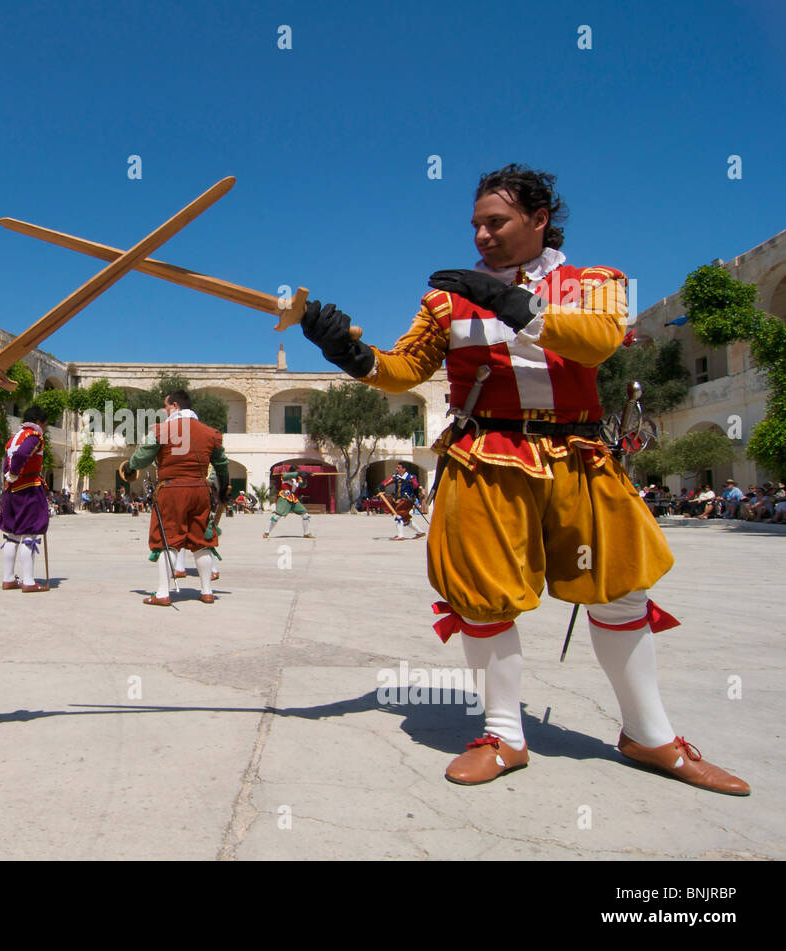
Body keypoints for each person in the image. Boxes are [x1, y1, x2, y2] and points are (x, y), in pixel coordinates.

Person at [300, 163, 748, 795]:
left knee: (618, 590)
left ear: (539, 220)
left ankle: (650, 737)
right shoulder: (446, 300)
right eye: (476, 224)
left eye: (497, 222)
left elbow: (597, 342)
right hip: (485, 453)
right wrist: (350, 353)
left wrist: (510, 302)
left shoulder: (594, 281)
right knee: (482, 596)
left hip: (579, 454)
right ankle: (504, 735)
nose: (482, 235)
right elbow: (404, 370)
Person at [121, 390, 230, 605]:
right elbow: (222, 464)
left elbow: (143, 457)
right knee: (202, 541)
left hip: (172, 491)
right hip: (201, 491)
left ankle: (163, 593)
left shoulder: (163, 430)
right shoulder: (211, 433)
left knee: (167, 540)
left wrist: (130, 466)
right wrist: (225, 488)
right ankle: (207, 591)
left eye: (167, 406)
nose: (164, 410)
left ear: (176, 406)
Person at [0, 405, 51, 592]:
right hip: (29, 488)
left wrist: (10, 477)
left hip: (12, 490)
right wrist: (14, 473)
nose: (44, 428)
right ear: (38, 422)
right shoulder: (34, 437)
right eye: (44, 424)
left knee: (11, 535)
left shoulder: (13, 438)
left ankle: (8, 578)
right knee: (29, 534)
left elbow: (8, 460)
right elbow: (22, 455)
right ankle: (29, 581)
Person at [380, 462, 424, 540]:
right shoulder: (396, 476)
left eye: (399, 468)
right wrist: (381, 486)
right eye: (397, 467)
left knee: (398, 514)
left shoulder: (411, 477)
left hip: (407, 500)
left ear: (404, 469)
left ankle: (400, 535)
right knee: (405, 518)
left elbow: (415, 485)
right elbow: (387, 482)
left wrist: (409, 483)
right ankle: (420, 532)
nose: (397, 469)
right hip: (398, 499)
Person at [264, 470, 313, 538]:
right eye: (296, 471)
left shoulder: (297, 479)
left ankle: (306, 533)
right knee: (277, 515)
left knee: (305, 515)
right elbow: (285, 475)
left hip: (293, 498)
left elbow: (303, 486)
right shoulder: (286, 476)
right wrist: (298, 473)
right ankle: (267, 532)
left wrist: (304, 478)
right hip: (284, 497)